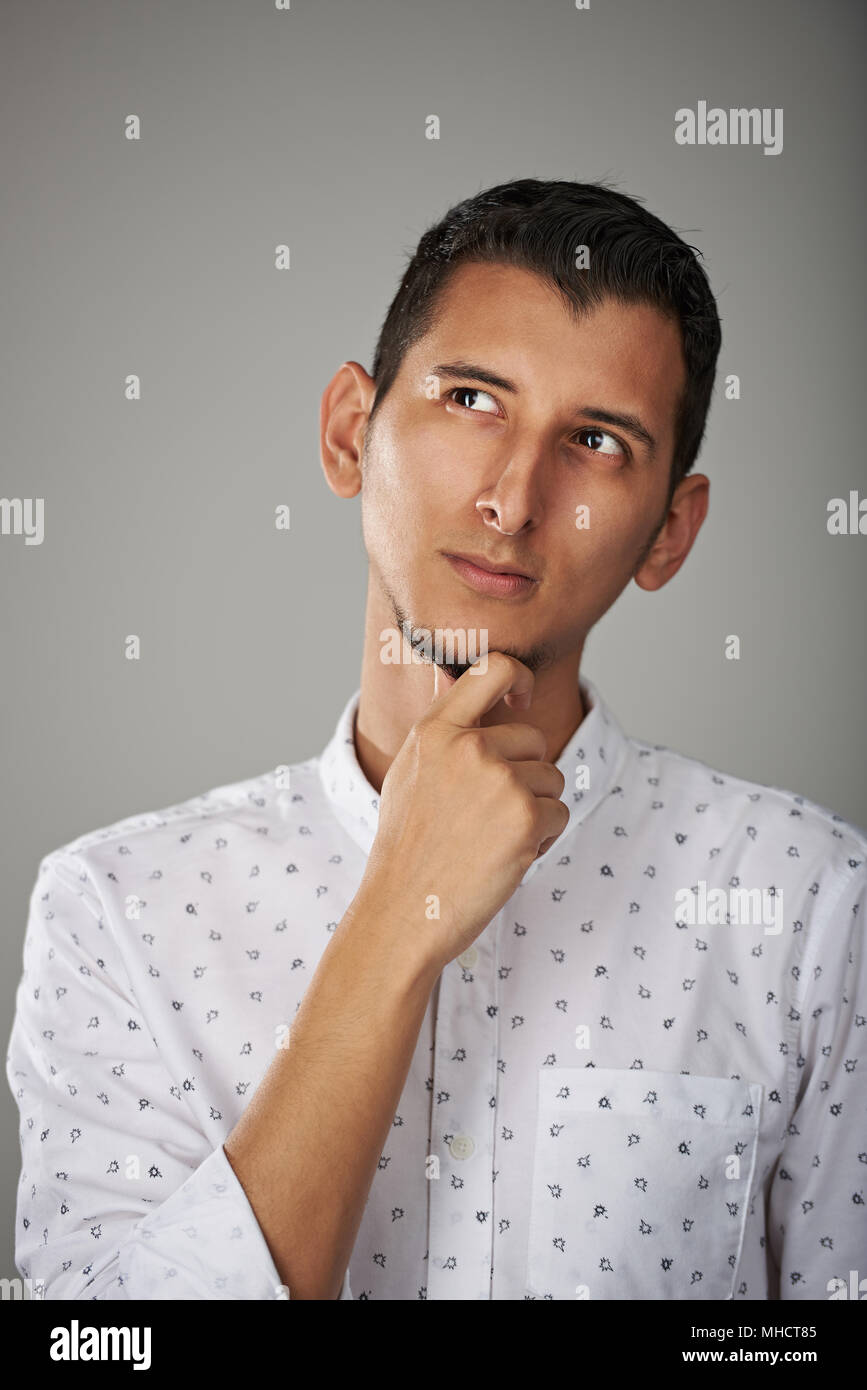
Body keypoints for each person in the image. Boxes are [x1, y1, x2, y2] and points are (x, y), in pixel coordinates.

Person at [7, 179, 865, 1301]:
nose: (514, 497)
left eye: (597, 441)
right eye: (471, 399)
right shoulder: (113, 910)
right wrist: (397, 914)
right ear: (351, 431)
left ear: (670, 531)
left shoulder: (811, 905)